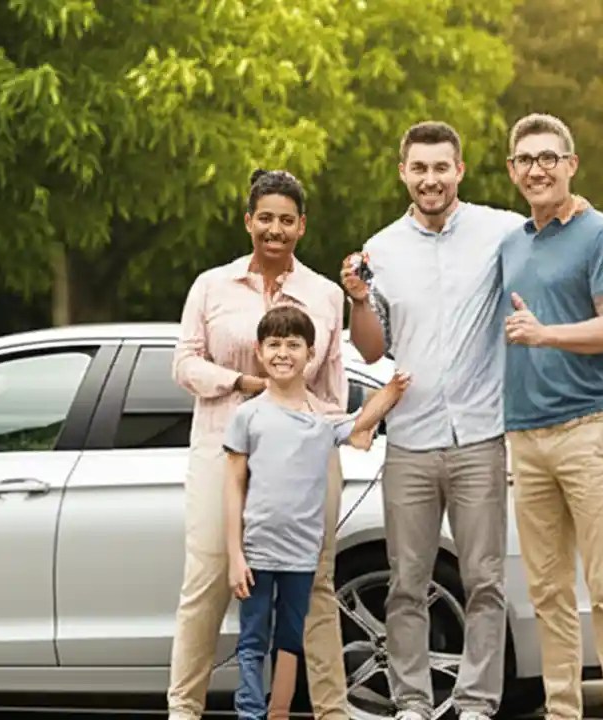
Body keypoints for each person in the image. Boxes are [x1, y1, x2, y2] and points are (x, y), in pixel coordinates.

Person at [341, 120, 525, 720]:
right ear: (403, 172)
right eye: (419, 168)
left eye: (441, 167)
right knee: (406, 585)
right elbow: (371, 351)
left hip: (479, 438)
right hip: (412, 442)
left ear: (460, 171)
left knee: (484, 582)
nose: (430, 179)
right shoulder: (381, 249)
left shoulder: (501, 230)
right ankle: (413, 704)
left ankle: (475, 704)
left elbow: (549, 241)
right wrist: (359, 300)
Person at [169, 169, 351, 720]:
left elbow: (332, 389)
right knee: (207, 580)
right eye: (265, 218)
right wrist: (244, 383)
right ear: (249, 221)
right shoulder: (212, 286)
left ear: (302, 226)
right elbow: (183, 363)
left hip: (303, 462)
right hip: (223, 450)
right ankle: (184, 710)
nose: (275, 229)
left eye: (286, 220)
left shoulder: (324, 295)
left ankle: (331, 711)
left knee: (315, 584)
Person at [498, 112, 603, 720]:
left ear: (571, 164)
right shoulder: (511, 242)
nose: (537, 169)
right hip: (526, 439)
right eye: (526, 159)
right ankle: (562, 712)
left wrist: (545, 334)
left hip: (591, 431)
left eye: (549, 157)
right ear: (512, 171)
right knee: (548, 594)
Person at [223, 304, 411, 720]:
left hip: (304, 557)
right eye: (274, 344)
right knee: (253, 640)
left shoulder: (322, 422)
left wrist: (396, 387)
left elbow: (363, 420)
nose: (283, 353)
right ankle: (250, 714)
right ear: (259, 351)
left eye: (293, 345)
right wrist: (235, 556)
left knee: (290, 642)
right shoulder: (247, 416)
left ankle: (279, 712)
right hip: (256, 554)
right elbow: (233, 486)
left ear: (310, 354)